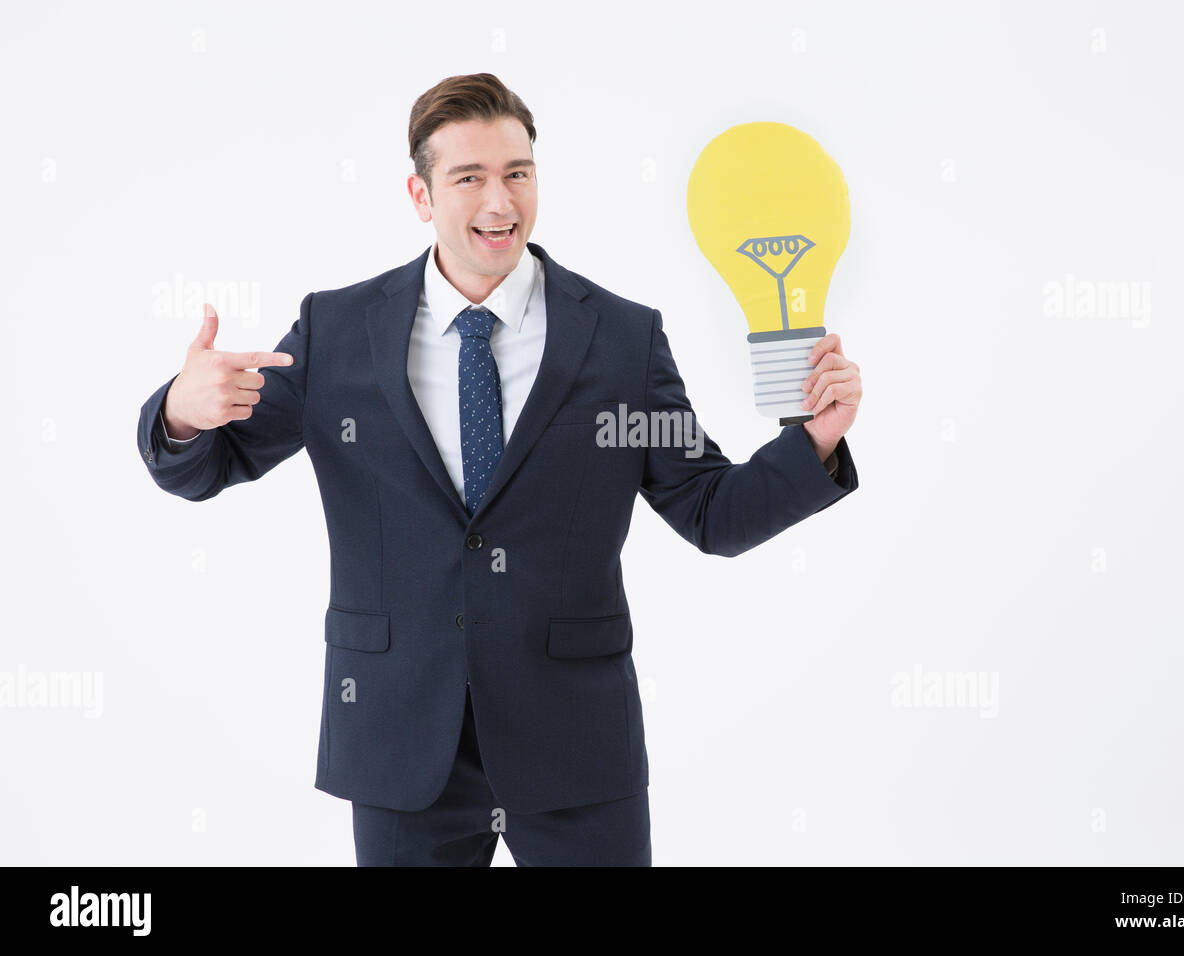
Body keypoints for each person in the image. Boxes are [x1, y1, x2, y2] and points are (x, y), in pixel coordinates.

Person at [137, 73, 862, 866]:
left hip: (576, 748)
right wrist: (180, 410)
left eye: (518, 173)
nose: (501, 201)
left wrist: (813, 443)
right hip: (400, 742)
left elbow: (710, 512)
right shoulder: (337, 332)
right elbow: (207, 468)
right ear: (420, 193)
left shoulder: (620, 340)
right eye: (469, 177)